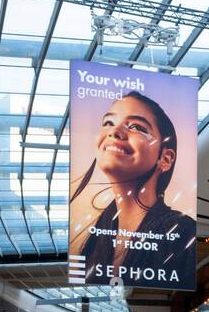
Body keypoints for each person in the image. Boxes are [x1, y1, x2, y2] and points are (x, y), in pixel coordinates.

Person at [69, 91, 197, 287]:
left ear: (165, 158)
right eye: (108, 123)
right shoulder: (97, 236)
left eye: (136, 126)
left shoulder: (182, 231)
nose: (114, 132)